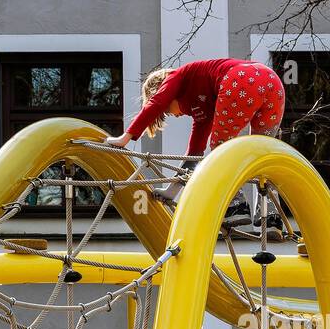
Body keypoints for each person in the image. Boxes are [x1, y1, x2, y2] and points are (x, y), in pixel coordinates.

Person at [103, 59, 286, 220]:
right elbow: (194, 155)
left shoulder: (177, 76)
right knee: (262, 153)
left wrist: (125, 138)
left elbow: (156, 103)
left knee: (220, 147)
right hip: (272, 82)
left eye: (167, 111)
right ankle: (270, 217)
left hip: (240, 79)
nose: (173, 116)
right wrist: (171, 191)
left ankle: (237, 206)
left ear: (166, 92)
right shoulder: (202, 109)